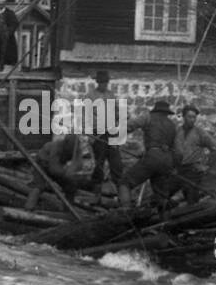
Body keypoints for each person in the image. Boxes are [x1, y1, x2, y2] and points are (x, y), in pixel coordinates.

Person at [118, 99, 179, 210]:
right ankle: (165, 223)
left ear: (155, 110)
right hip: (167, 161)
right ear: (166, 113)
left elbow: (129, 126)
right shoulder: (172, 125)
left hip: (153, 157)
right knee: (161, 197)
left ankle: (126, 213)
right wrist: (173, 166)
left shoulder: (148, 117)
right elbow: (176, 150)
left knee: (124, 183)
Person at [172, 104, 216, 204]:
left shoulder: (200, 132)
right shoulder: (177, 131)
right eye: (190, 117)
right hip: (178, 170)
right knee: (166, 194)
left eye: (194, 117)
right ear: (184, 117)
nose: (192, 119)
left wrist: (206, 166)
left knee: (192, 198)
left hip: (193, 171)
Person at [87, 70, 124, 199]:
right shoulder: (90, 96)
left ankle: (121, 195)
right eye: (102, 82)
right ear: (98, 82)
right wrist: (90, 135)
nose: (104, 84)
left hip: (112, 133)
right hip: (98, 134)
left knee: (116, 163)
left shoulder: (111, 95)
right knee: (99, 163)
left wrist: (122, 116)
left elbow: (117, 112)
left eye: (106, 82)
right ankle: (96, 195)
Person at [25, 132, 82, 210]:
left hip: (56, 166)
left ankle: (68, 210)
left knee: (71, 185)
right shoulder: (56, 146)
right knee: (38, 186)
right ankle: (28, 209)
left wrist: (71, 171)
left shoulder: (76, 149)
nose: (71, 149)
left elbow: (78, 162)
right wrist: (66, 173)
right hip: (42, 164)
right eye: (70, 147)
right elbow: (53, 169)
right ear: (66, 143)